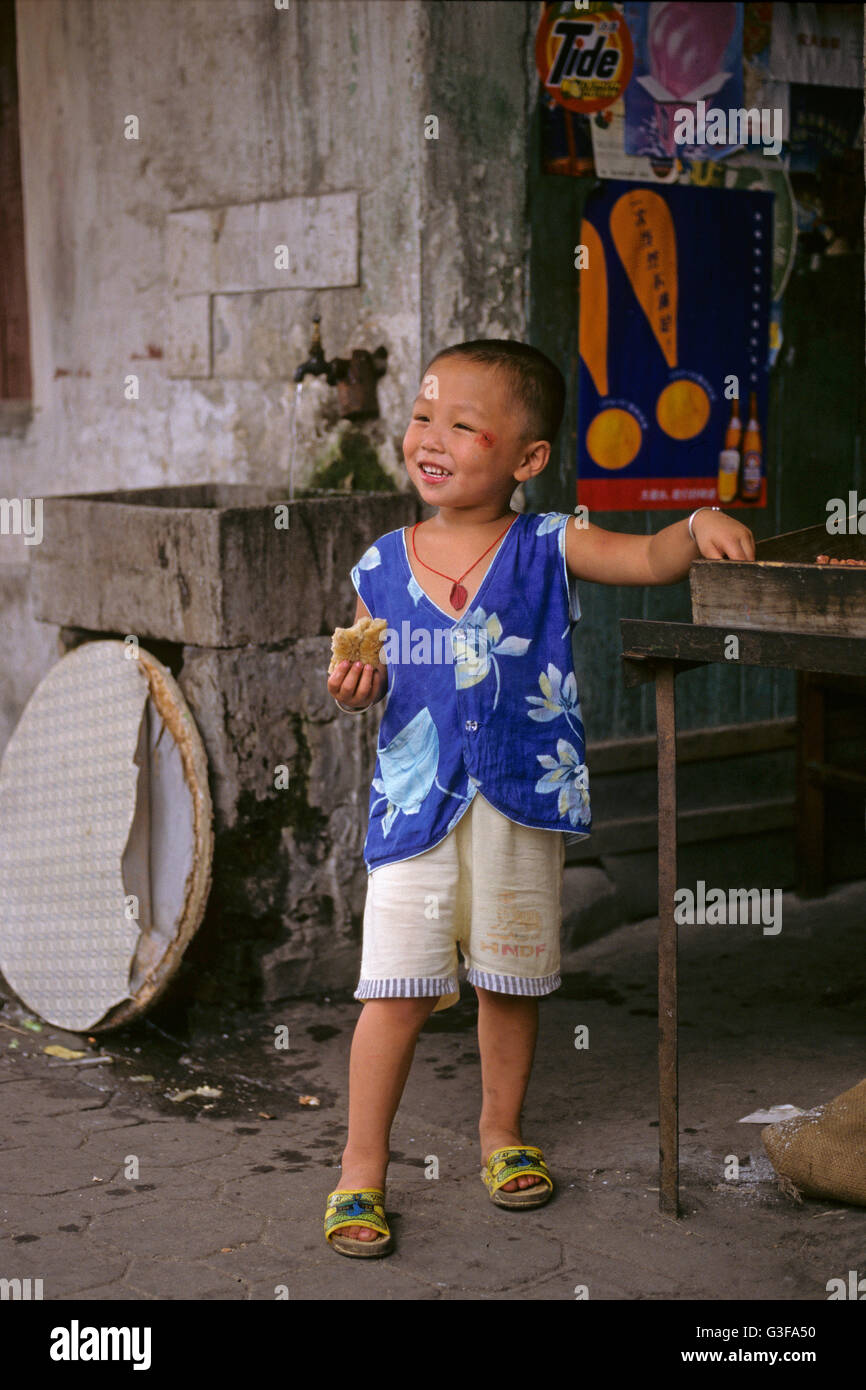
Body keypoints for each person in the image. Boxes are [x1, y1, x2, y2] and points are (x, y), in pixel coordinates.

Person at [323, 340, 755, 1256]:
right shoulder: (379, 565)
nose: (431, 438)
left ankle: (498, 1130)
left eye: (463, 426)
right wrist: (352, 688)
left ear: (526, 459)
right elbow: (362, 672)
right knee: (394, 991)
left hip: (524, 801)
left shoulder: (548, 544)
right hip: (416, 810)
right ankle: (362, 1169)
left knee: (508, 982)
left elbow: (645, 559)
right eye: (422, 416)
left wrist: (697, 526)